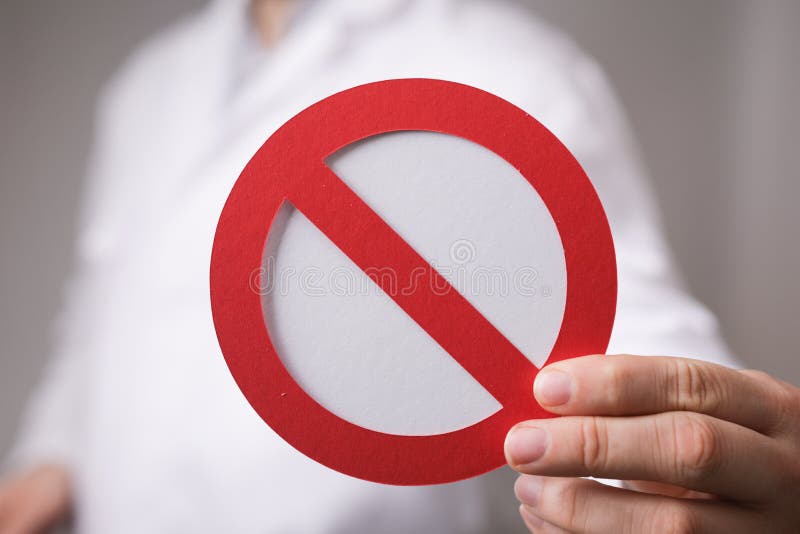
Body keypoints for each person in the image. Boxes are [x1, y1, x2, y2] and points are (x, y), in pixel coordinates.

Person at [1, 0, 798, 532]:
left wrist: (717, 469)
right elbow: (103, 309)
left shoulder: (505, 63)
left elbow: (616, 337)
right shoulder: (145, 86)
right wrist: (45, 465)